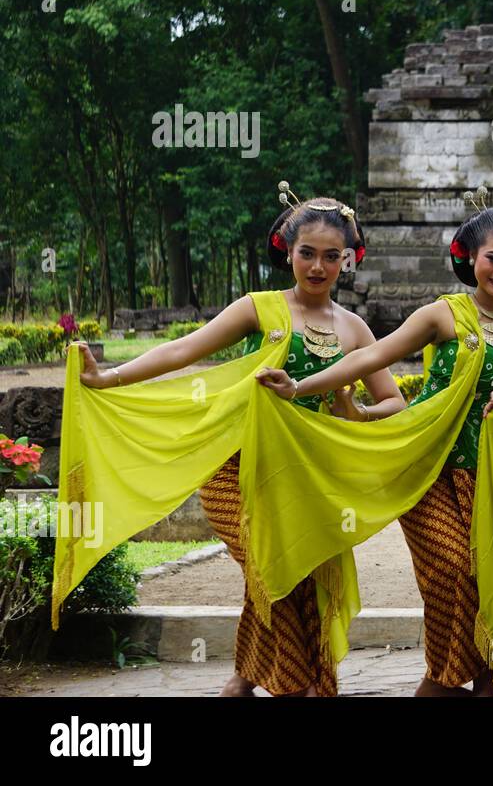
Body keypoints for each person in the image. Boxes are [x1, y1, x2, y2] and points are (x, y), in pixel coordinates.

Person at [257, 190, 493, 696]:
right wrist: (302, 386)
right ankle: (445, 684)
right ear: (468, 258)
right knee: (454, 572)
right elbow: (371, 359)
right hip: (426, 470)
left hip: (489, 479)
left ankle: (472, 682)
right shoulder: (442, 315)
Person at [67, 182, 403, 696]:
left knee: (297, 579)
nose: (317, 267)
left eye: (331, 257)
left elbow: (394, 402)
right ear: (287, 252)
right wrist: (106, 379)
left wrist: (356, 412)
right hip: (236, 470)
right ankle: (300, 686)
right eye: (307, 253)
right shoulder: (258, 308)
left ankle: (243, 683)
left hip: (312, 478)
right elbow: (183, 350)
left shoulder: (355, 329)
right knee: (275, 572)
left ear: (348, 260)